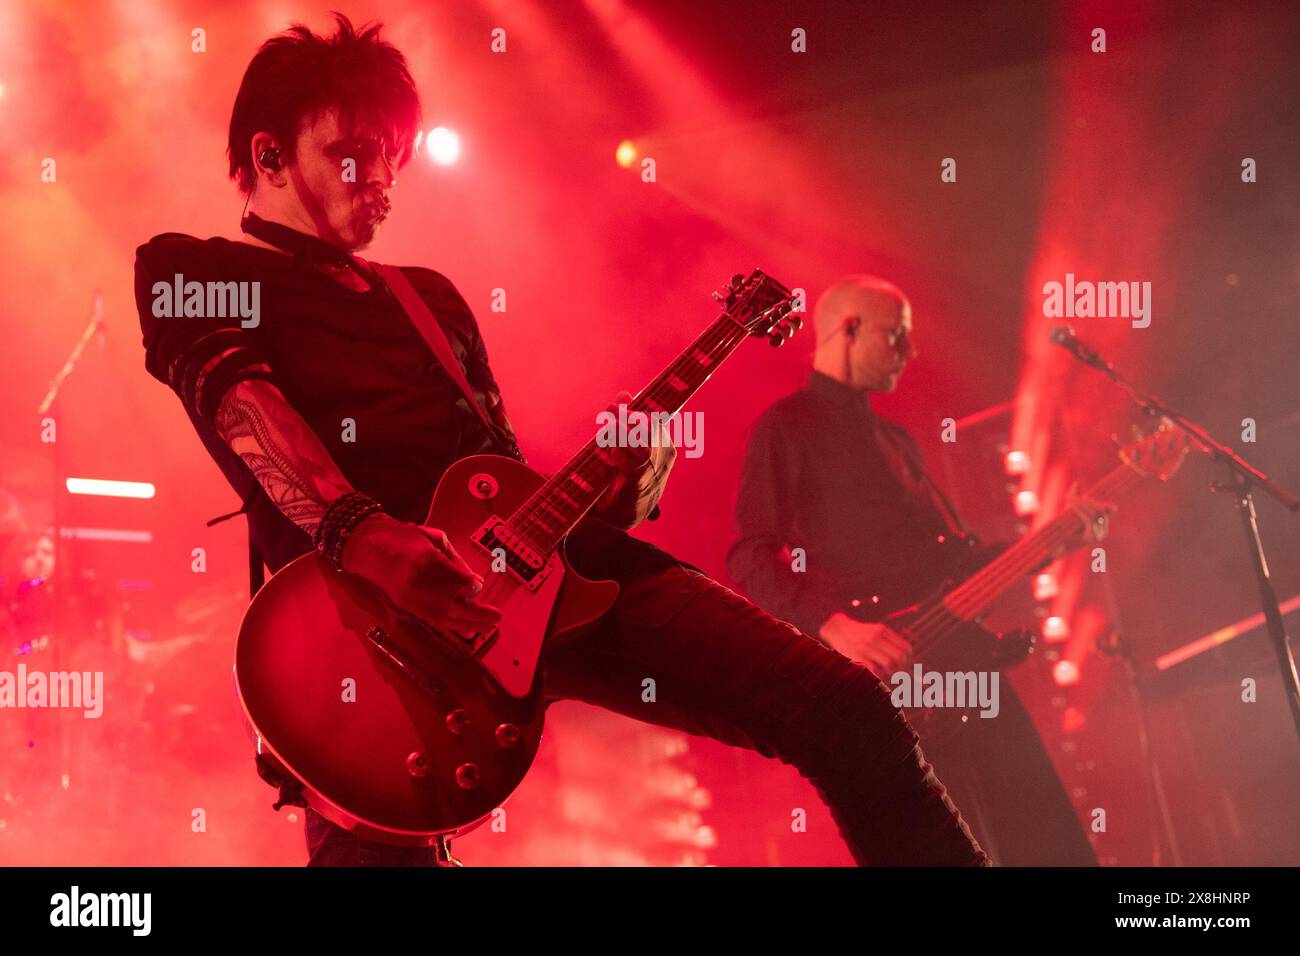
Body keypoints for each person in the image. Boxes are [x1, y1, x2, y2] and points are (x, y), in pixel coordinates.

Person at [134, 15, 987, 867]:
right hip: (362, 644)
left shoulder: (431, 299)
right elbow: (240, 406)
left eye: (397, 155)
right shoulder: (190, 270)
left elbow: (499, 473)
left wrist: (629, 480)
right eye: (356, 153)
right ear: (270, 156)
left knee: (844, 706)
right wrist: (367, 536)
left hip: (550, 578)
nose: (386, 179)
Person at [729, 275, 1097, 865]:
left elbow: (958, 564)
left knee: (1048, 842)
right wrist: (836, 627)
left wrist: (1059, 532)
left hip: (967, 664)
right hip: (895, 688)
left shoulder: (897, 441)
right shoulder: (786, 428)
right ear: (849, 330)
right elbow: (750, 555)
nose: (911, 351)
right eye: (897, 335)